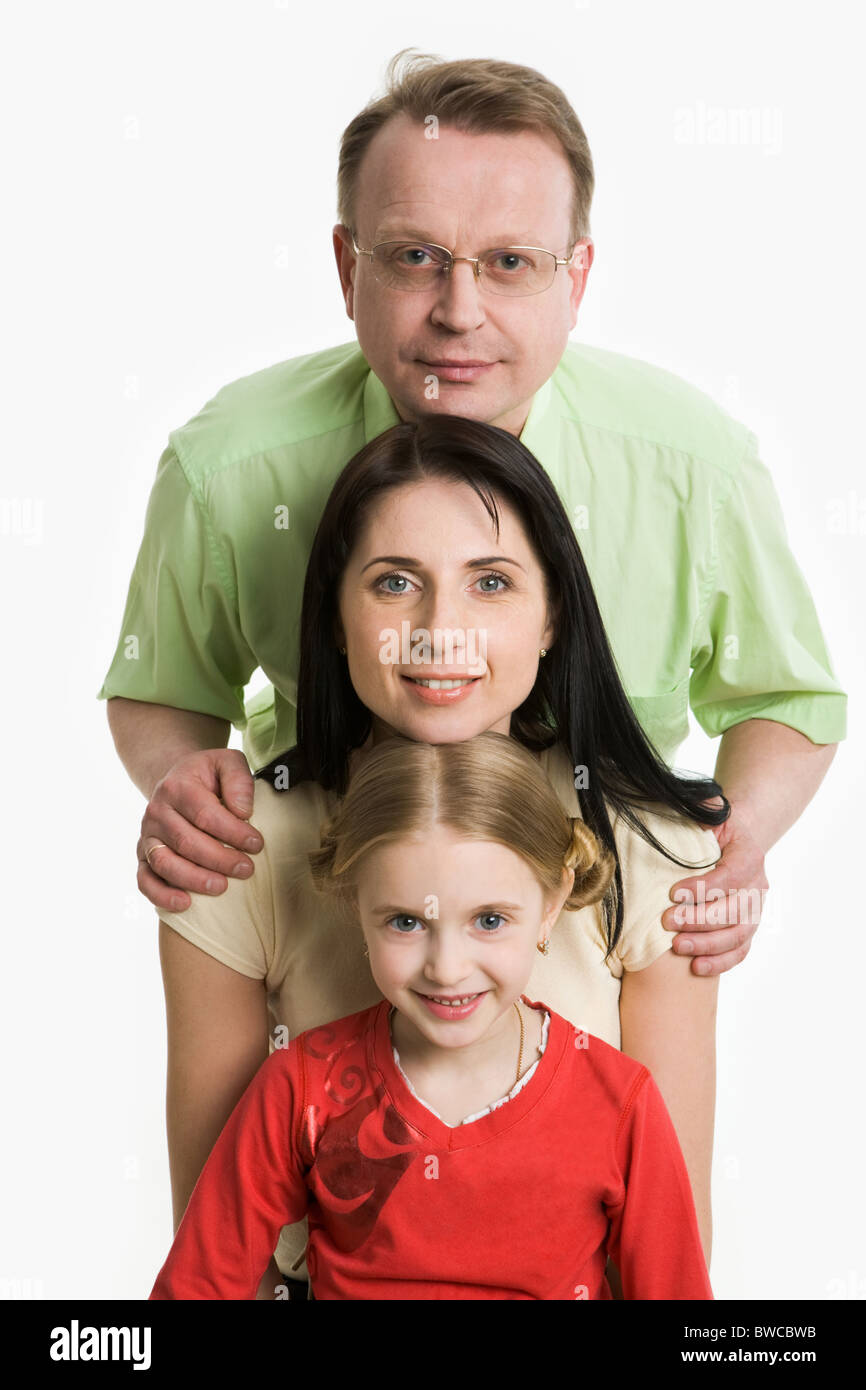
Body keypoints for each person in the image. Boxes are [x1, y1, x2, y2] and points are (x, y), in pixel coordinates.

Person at [100, 51, 845, 982]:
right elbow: (166, 684)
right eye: (415, 257)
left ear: (575, 279)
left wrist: (733, 845)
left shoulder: (697, 466)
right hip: (328, 897)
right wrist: (181, 778)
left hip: (601, 915)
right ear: (346, 266)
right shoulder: (226, 465)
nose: (460, 312)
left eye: (510, 264)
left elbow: (786, 698)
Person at [153, 414, 725, 1298]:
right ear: (337, 619)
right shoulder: (235, 847)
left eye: (490, 582)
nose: (440, 631)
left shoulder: (656, 848)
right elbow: (217, 1253)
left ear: (552, 617)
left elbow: (674, 1249)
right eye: (392, 584)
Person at [150, 733, 713, 1302]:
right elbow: (197, 1287)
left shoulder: (619, 1102)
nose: (447, 970)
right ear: (355, 904)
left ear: (550, 907)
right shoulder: (302, 1088)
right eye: (405, 922)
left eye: (489, 921)